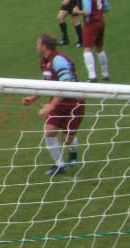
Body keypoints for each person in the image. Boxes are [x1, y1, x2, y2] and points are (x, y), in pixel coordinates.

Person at [22, 34, 84, 176]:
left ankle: (73, 152)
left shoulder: (58, 60)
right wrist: (33, 98)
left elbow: (66, 84)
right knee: (49, 131)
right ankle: (60, 165)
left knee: (67, 140)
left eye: (38, 44)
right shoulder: (44, 62)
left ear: (44, 46)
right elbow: (46, 84)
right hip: (58, 102)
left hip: (74, 103)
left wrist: (51, 105)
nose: (37, 47)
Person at [78, 0, 111, 82]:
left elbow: (87, 12)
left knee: (87, 48)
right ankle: (105, 73)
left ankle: (92, 76)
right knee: (99, 47)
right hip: (101, 22)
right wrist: (98, 13)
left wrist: (77, 11)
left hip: (91, 24)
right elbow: (107, 8)